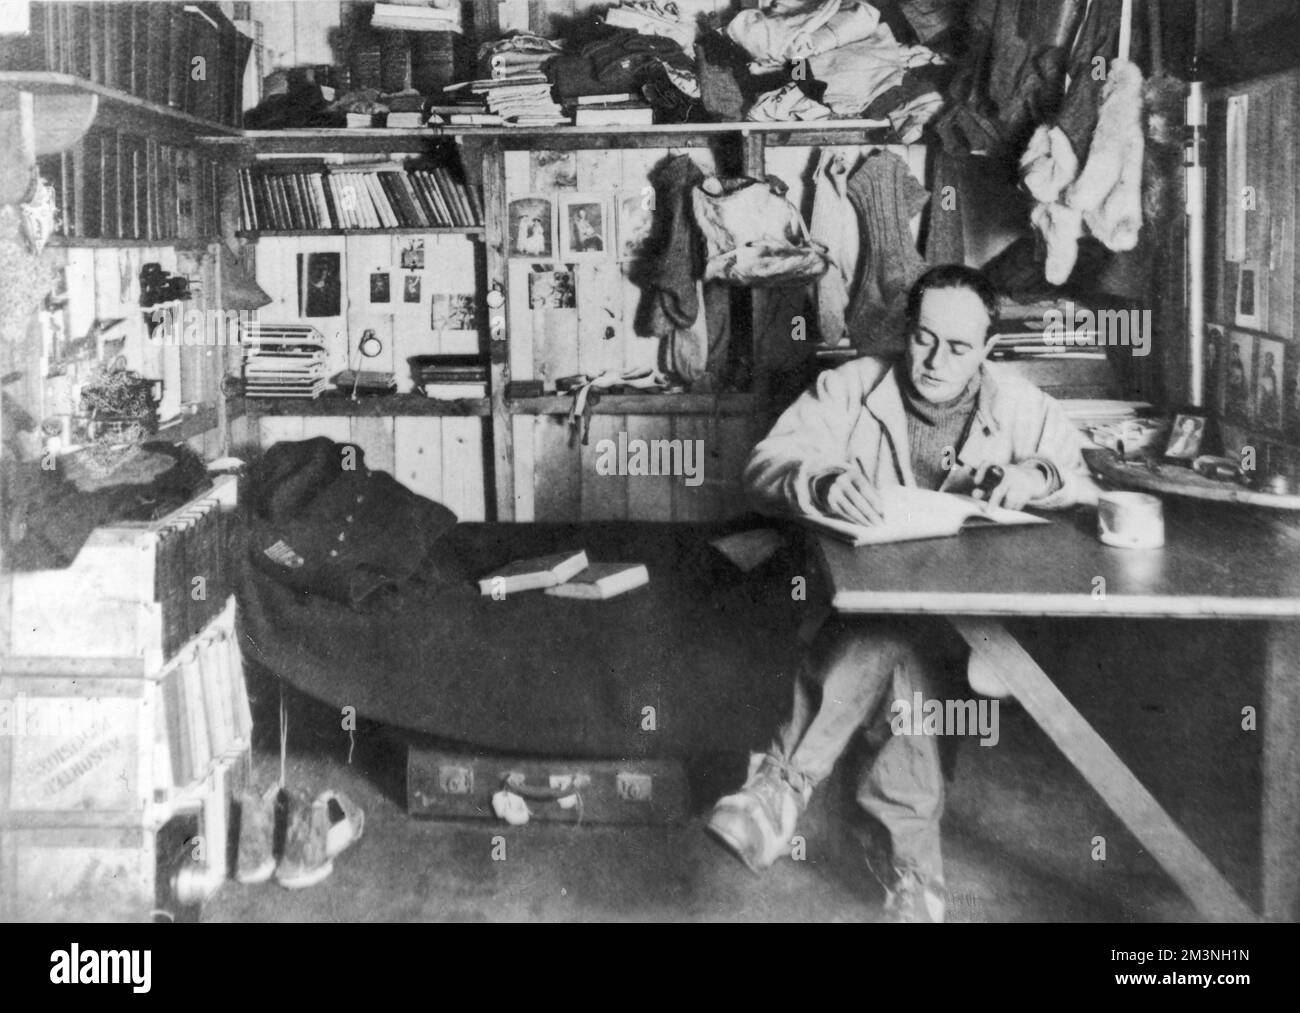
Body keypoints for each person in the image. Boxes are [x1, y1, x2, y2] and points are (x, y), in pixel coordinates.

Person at [706, 264, 1099, 922]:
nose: (936, 359)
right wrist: (821, 478)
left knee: (899, 633)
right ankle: (917, 876)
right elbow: (765, 464)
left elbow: (1080, 479)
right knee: (901, 646)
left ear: (988, 350)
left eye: (959, 346)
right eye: (923, 338)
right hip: (862, 611)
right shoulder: (853, 385)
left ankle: (782, 785)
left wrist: (1037, 473)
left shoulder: (1020, 404)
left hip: (974, 626)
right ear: (906, 331)